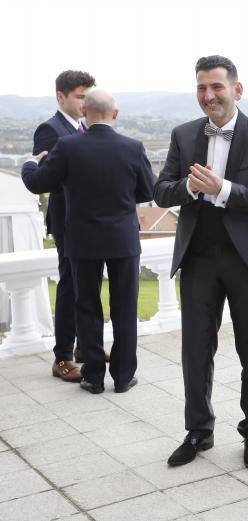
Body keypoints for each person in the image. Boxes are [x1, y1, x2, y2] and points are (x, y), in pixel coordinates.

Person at [153, 55, 248, 469]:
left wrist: (224, 188)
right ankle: (198, 431)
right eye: (201, 88)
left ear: (236, 90)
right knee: (195, 350)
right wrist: (189, 189)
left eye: (216, 87)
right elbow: (161, 192)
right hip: (198, 259)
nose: (208, 96)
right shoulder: (182, 134)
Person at [22, 88, 154, 395]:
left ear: (84, 113)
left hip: (82, 240)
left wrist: (31, 163)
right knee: (124, 308)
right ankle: (123, 376)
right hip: (122, 238)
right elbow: (147, 192)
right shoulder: (133, 147)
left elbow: (38, 183)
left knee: (87, 307)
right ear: (115, 114)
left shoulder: (68, 146)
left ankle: (93, 376)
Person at [31, 70, 98, 383]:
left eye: (88, 96)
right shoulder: (50, 129)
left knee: (89, 284)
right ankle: (62, 357)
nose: (85, 102)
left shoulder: (85, 126)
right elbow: (49, 179)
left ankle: (85, 347)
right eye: (79, 96)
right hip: (67, 220)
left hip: (88, 219)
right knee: (71, 286)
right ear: (61, 96)